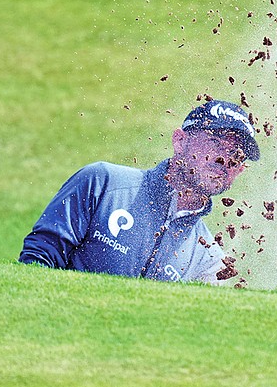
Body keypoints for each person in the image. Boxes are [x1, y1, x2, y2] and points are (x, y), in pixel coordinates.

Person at [19, 98, 259, 283]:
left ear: (239, 171)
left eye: (236, 155)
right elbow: (39, 258)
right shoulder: (102, 183)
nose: (224, 159)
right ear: (180, 141)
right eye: (215, 143)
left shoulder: (208, 259)